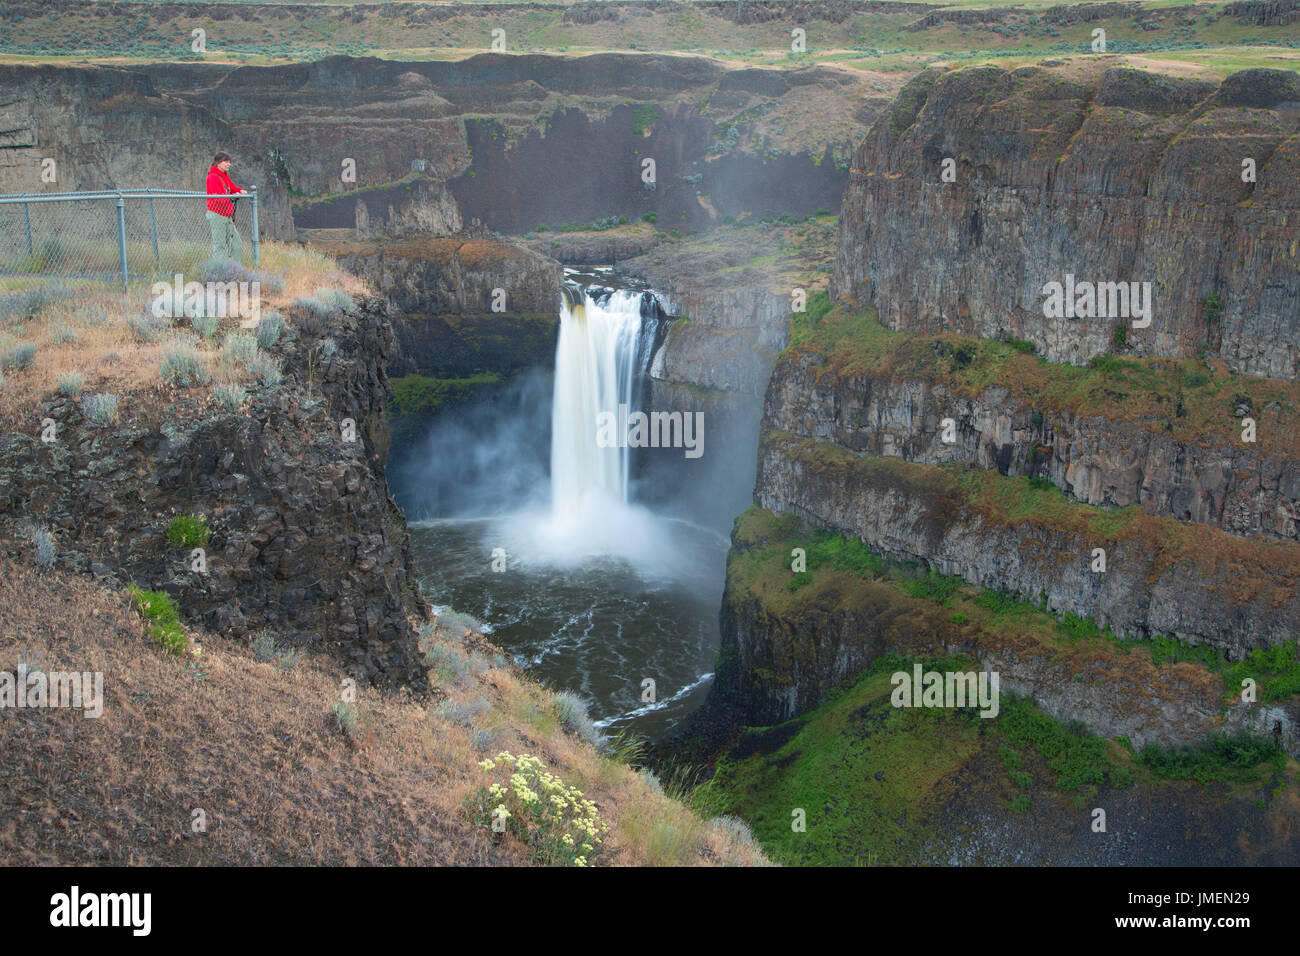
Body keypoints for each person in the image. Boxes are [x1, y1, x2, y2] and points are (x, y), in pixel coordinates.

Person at [205, 152, 246, 262]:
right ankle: (218, 272)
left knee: (236, 245)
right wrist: (232, 197)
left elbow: (232, 188)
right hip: (217, 215)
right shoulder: (213, 177)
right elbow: (217, 197)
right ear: (218, 163)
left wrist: (239, 191)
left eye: (229, 162)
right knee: (220, 245)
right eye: (226, 162)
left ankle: (234, 270)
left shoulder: (224, 176)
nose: (228, 164)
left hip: (227, 216)